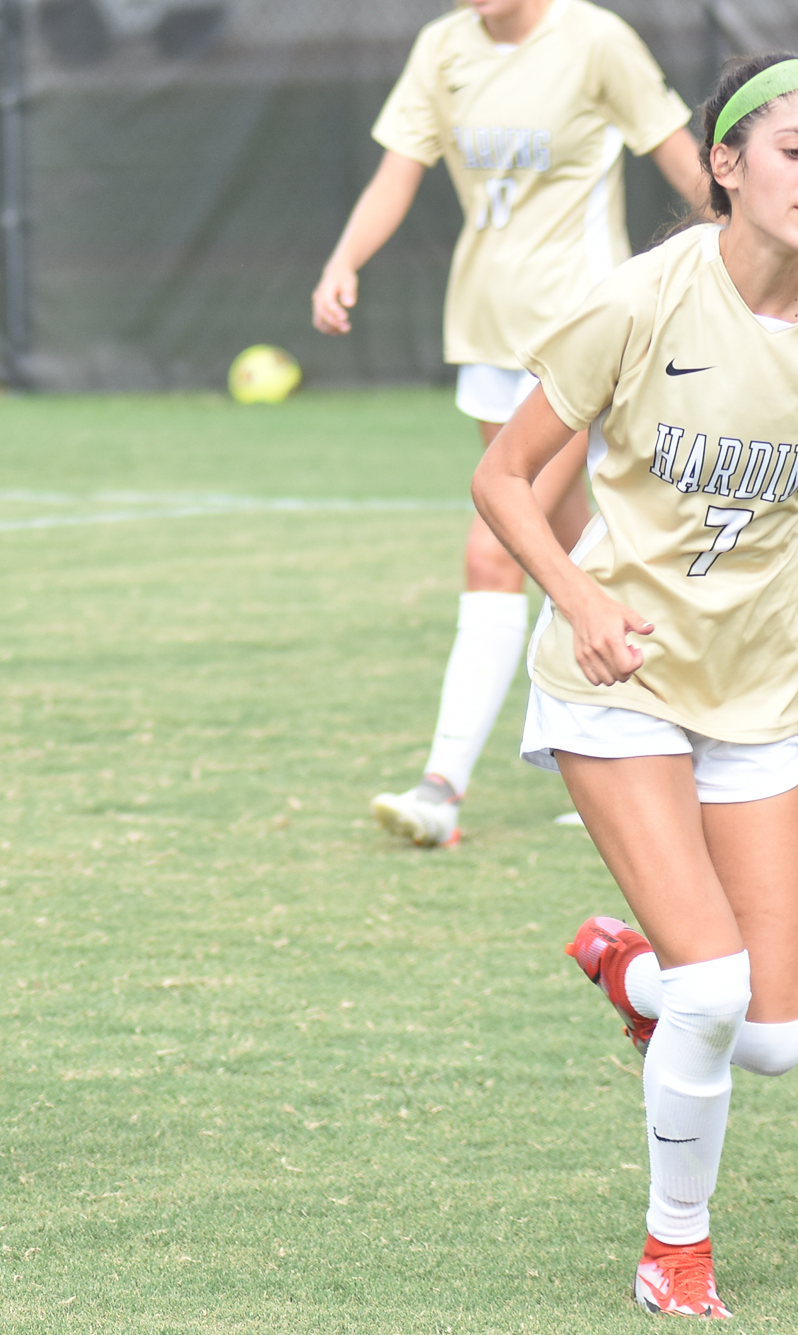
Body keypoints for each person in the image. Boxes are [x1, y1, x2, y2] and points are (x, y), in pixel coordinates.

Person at [476, 53, 798, 1318]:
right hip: (616, 683)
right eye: (793, 149)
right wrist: (581, 598)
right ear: (722, 167)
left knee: (771, 1035)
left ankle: (630, 975)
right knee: (716, 994)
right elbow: (502, 479)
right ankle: (674, 1254)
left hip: (759, 697)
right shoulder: (639, 302)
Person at [312, 0, 704, 847]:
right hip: (490, 343)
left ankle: (441, 787)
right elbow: (396, 173)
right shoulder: (443, 48)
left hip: (582, 337)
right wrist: (345, 260)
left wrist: (759, 272)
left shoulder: (595, 39)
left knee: (496, 545)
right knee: (578, 554)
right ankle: (637, 757)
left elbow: (689, 166)